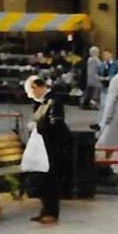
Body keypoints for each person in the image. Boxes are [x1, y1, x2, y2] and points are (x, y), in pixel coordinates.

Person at [25, 74, 72, 224]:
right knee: (43, 180)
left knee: (51, 180)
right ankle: (45, 210)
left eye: (29, 91)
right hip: (42, 148)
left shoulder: (53, 100)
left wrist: (37, 127)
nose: (29, 95)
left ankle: (52, 212)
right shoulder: (40, 103)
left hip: (52, 147)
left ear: (37, 87)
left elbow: (55, 123)